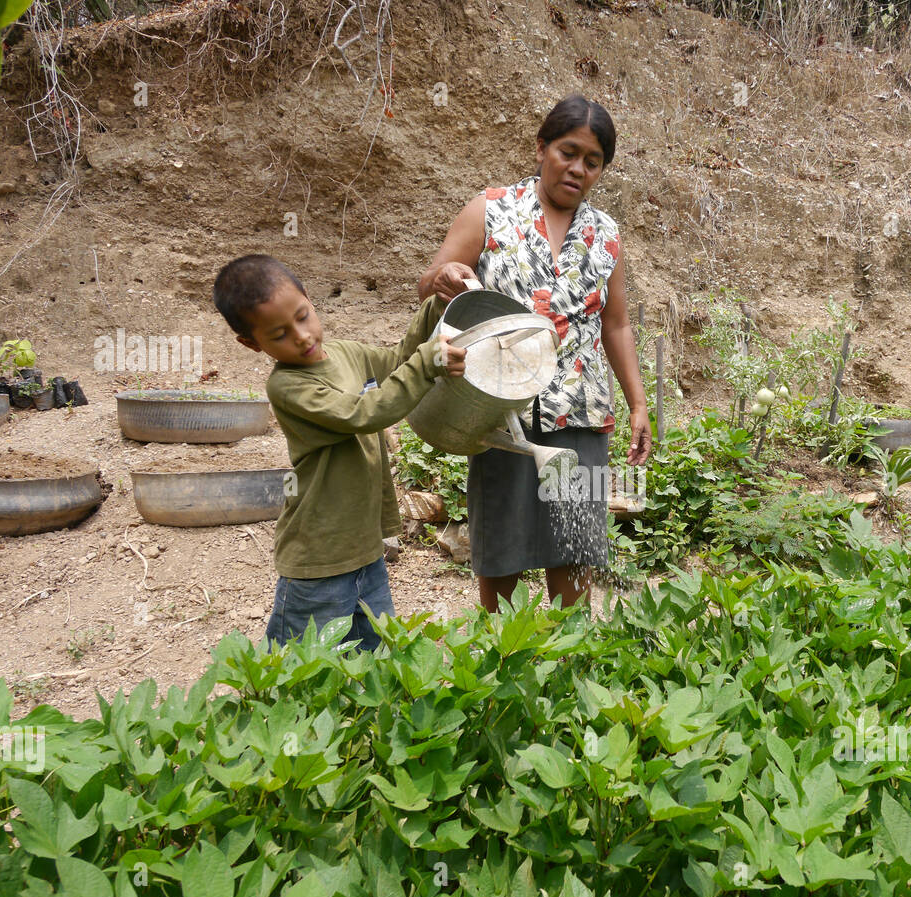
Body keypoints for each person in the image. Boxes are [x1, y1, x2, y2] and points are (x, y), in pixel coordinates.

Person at [418, 94, 652, 612]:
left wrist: (637, 404)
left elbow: (615, 325)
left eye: (593, 162)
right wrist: (447, 278)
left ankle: (567, 657)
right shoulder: (491, 210)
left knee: (574, 545)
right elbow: (429, 282)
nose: (578, 169)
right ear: (542, 147)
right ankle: (506, 654)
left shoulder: (606, 236)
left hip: (580, 411)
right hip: (499, 409)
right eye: (569, 152)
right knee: (501, 542)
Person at [213, 254, 466, 651]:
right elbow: (364, 413)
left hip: (365, 551)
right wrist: (427, 364)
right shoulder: (288, 387)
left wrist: (437, 305)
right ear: (251, 343)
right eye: (278, 334)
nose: (301, 336)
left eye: (303, 316)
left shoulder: (347, 354)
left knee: (377, 658)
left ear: (309, 300)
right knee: (300, 670)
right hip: (319, 559)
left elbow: (400, 358)